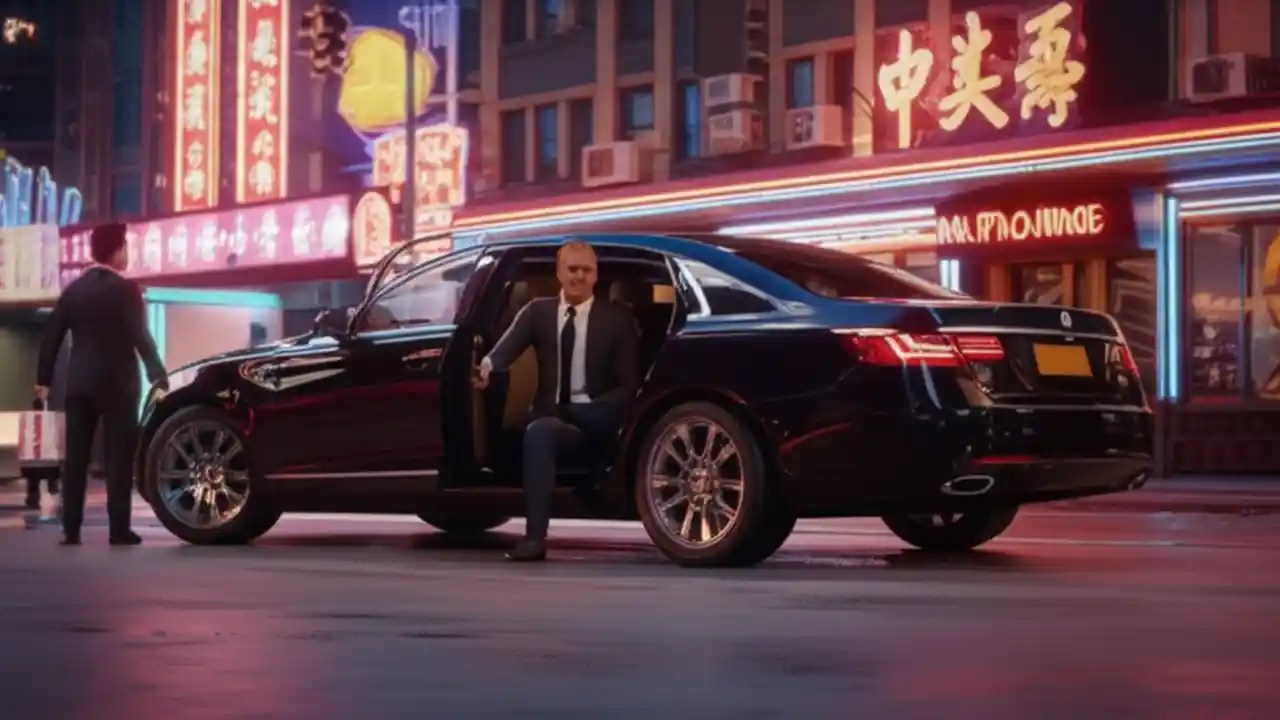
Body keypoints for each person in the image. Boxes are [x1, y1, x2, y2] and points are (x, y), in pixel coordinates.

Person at [474, 240, 638, 562]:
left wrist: (589, 411)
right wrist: (487, 369)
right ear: (559, 273)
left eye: (586, 270)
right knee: (539, 431)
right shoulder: (537, 311)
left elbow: (626, 387)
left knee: (601, 412)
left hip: (599, 418)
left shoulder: (617, 319)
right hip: (559, 423)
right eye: (572, 270)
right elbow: (503, 353)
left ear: (596, 275)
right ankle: (535, 539)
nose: (579, 277)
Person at [35, 223, 168, 546]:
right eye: (126, 247)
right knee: (118, 459)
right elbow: (140, 336)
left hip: (78, 384)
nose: (128, 254)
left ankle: (71, 528)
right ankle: (118, 530)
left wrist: (43, 380)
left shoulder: (74, 291)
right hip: (118, 386)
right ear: (118, 250)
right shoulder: (126, 290)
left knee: (76, 458)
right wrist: (158, 376)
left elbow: (52, 335)